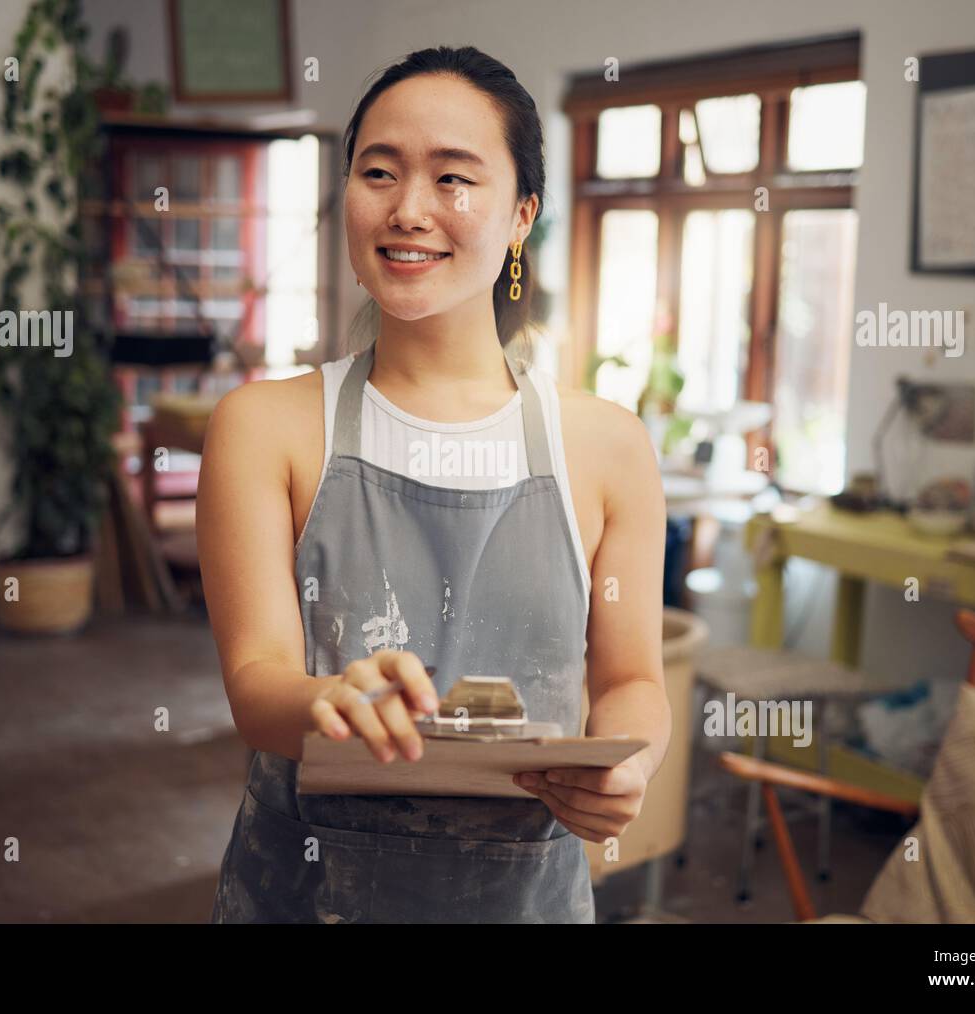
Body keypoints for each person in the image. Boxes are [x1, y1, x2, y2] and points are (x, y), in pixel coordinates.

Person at [198, 45, 667, 924]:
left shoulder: (607, 445)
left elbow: (635, 677)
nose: (409, 209)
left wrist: (628, 762)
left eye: (454, 178)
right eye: (378, 171)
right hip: (304, 894)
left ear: (522, 214)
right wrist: (328, 701)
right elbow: (257, 687)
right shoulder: (263, 427)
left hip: (524, 896)